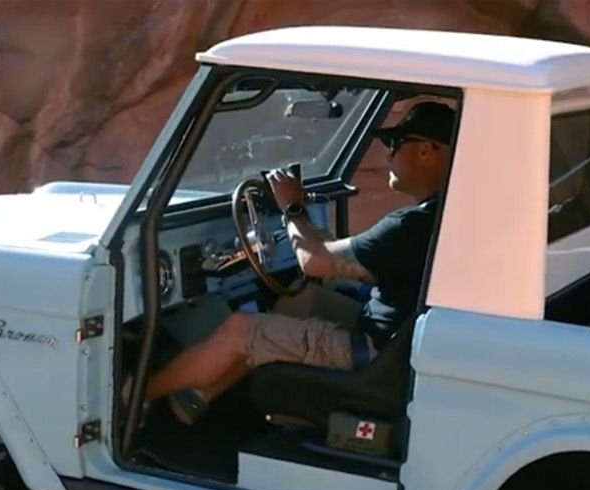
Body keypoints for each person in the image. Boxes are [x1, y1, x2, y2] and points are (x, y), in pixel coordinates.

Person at [140, 100, 456, 424]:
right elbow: (340, 257)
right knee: (297, 301)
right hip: (397, 339)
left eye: (395, 143)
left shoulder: (411, 225)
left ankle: (134, 397)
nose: (387, 154)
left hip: (375, 352)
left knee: (240, 329)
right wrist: (305, 225)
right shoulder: (446, 214)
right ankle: (196, 399)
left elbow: (314, 263)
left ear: (426, 151)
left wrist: (291, 209)